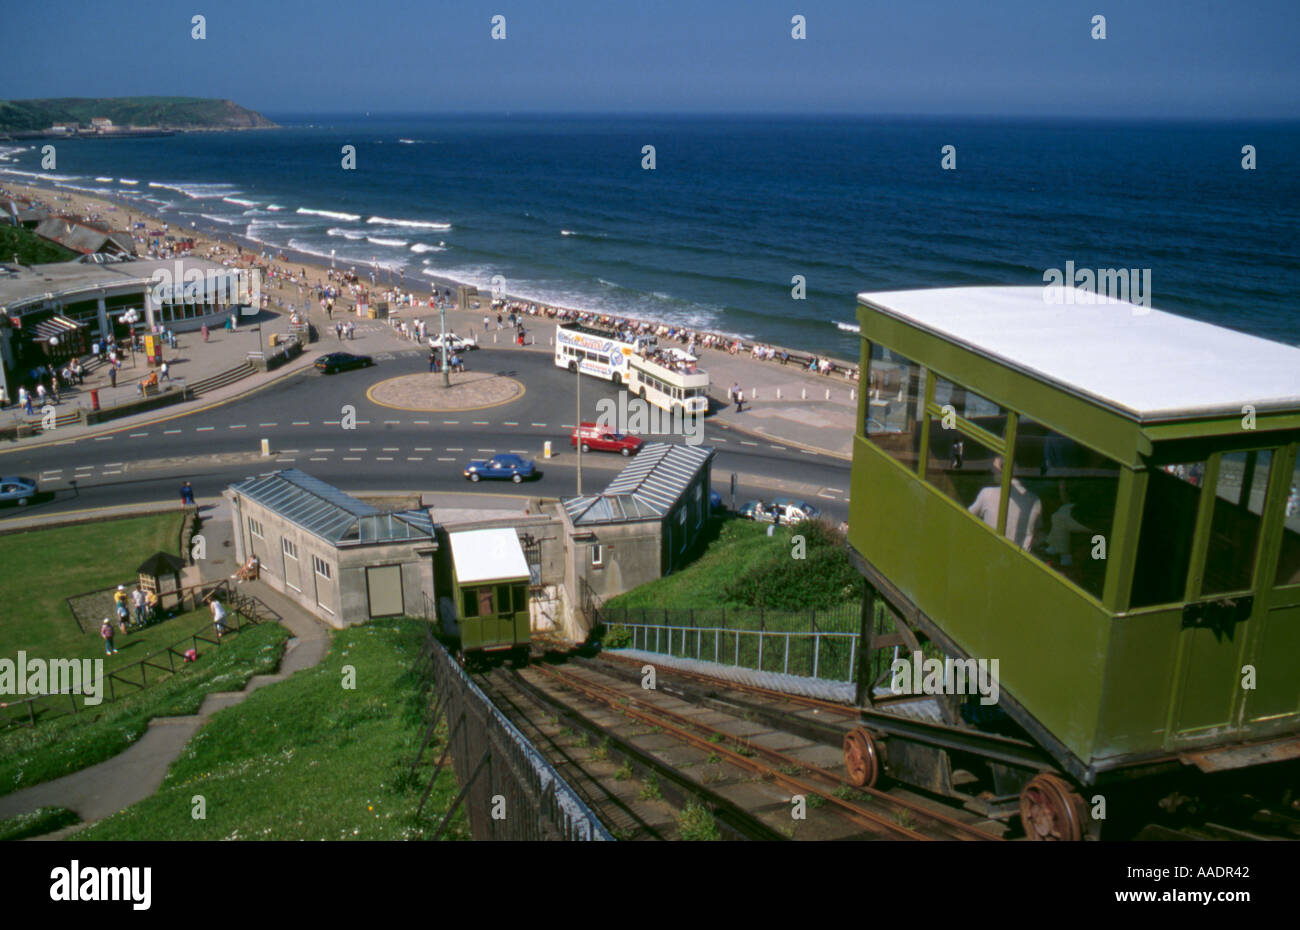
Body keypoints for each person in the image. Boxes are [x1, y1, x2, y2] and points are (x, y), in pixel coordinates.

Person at [967, 455, 1042, 551]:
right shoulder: (1035, 500)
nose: (992, 472)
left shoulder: (987, 493)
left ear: (1003, 471)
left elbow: (967, 518)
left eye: (994, 469)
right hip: (1021, 560)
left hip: (990, 554)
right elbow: (1037, 532)